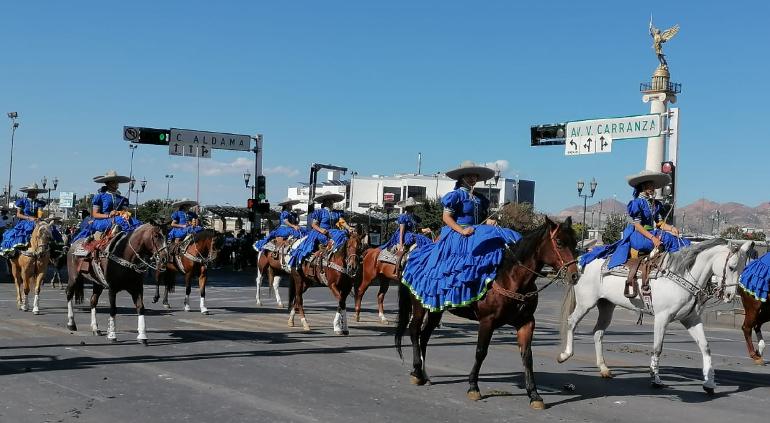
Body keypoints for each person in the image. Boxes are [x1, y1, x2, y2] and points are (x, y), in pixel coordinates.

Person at [401, 161, 521, 311]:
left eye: (475, 176)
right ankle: (453, 293)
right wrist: (462, 230)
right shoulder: (455, 195)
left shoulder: (479, 198)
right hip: (458, 233)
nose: (472, 178)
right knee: (457, 265)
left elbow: (481, 218)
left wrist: (489, 221)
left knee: (501, 240)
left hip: (476, 231)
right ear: (462, 177)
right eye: (469, 175)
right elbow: (446, 218)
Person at [579, 169, 689, 269]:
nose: (653, 188)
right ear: (643, 187)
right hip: (639, 236)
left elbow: (659, 223)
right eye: (650, 185)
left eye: (652, 185)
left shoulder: (655, 204)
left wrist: (671, 228)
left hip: (652, 233)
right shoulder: (637, 203)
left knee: (677, 239)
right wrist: (653, 238)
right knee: (667, 238)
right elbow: (637, 226)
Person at [72, 170, 140, 243]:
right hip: (102, 221)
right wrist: (109, 215)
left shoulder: (122, 199)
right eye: (113, 182)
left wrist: (123, 213)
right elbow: (95, 214)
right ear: (107, 183)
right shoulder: (100, 197)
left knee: (137, 223)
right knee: (121, 220)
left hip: (119, 219)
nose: (116, 184)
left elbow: (125, 211)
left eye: (117, 182)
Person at [288, 191, 350, 267]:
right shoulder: (319, 212)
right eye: (330, 200)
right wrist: (321, 230)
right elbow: (313, 224)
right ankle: (330, 250)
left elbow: (341, 222)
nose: (332, 202)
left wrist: (349, 228)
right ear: (326, 201)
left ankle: (342, 254)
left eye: (332, 200)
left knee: (344, 233)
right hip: (320, 231)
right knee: (334, 235)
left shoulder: (336, 213)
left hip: (333, 231)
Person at [0, 183, 48, 256]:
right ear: (29, 192)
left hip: (36, 221)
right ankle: (15, 253)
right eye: (33, 192)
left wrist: (39, 218)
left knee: (48, 230)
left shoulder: (39, 203)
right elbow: (18, 214)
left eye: (36, 192)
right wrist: (29, 218)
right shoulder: (22, 201)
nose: (35, 194)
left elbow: (39, 214)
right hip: (25, 221)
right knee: (20, 234)